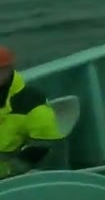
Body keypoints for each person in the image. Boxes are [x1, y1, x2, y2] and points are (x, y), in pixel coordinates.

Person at [0, 45, 62, 178]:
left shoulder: (31, 104)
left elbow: (43, 146)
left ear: (7, 70)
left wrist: (9, 170)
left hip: (15, 174)